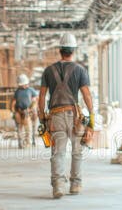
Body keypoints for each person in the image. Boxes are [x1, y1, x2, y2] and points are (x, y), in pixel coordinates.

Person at [38, 33, 95, 199]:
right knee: (77, 151)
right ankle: (75, 184)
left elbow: (42, 96)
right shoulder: (80, 70)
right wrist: (91, 117)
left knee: (58, 152)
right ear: (73, 50)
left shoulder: (48, 71)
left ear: (60, 50)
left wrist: (42, 118)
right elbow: (86, 95)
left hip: (55, 116)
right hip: (74, 117)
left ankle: (58, 186)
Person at [11, 74, 38, 149]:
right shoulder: (17, 91)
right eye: (21, 85)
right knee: (20, 126)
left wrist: (31, 108)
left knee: (27, 125)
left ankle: (28, 142)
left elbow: (35, 101)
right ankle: (21, 142)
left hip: (28, 110)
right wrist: (13, 110)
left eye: (24, 84)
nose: (23, 86)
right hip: (19, 110)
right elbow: (13, 101)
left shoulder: (30, 90)